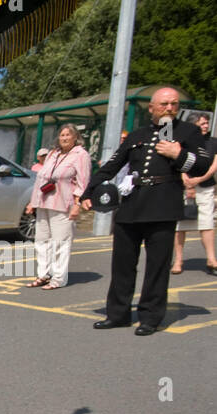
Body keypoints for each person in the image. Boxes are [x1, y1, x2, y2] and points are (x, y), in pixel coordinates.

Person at [82, 87, 213, 335]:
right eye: (164, 104)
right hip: (132, 204)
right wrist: (90, 191)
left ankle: (150, 317)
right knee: (122, 264)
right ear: (151, 108)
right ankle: (118, 314)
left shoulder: (188, 132)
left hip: (163, 204)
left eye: (174, 104)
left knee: (157, 266)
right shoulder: (137, 135)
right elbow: (113, 164)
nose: (169, 108)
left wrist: (179, 154)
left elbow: (202, 166)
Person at [24, 124, 90, 289]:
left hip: (63, 203)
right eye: (62, 135)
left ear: (75, 137)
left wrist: (77, 204)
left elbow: (83, 182)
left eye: (68, 135)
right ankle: (43, 274)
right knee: (41, 240)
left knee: (60, 242)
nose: (65, 138)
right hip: (44, 202)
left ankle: (58, 278)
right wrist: (33, 202)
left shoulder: (80, 155)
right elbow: (41, 179)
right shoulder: (53, 153)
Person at [172, 113, 217, 276]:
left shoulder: (213, 142)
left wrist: (199, 179)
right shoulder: (184, 142)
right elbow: (177, 161)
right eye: (202, 123)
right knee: (180, 225)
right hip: (184, 186)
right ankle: (178, 260)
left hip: (205, 186)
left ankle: (211, 259)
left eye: (206, 123)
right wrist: (186, 180)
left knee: (207, 223)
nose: (206, 126)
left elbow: (214, 164)